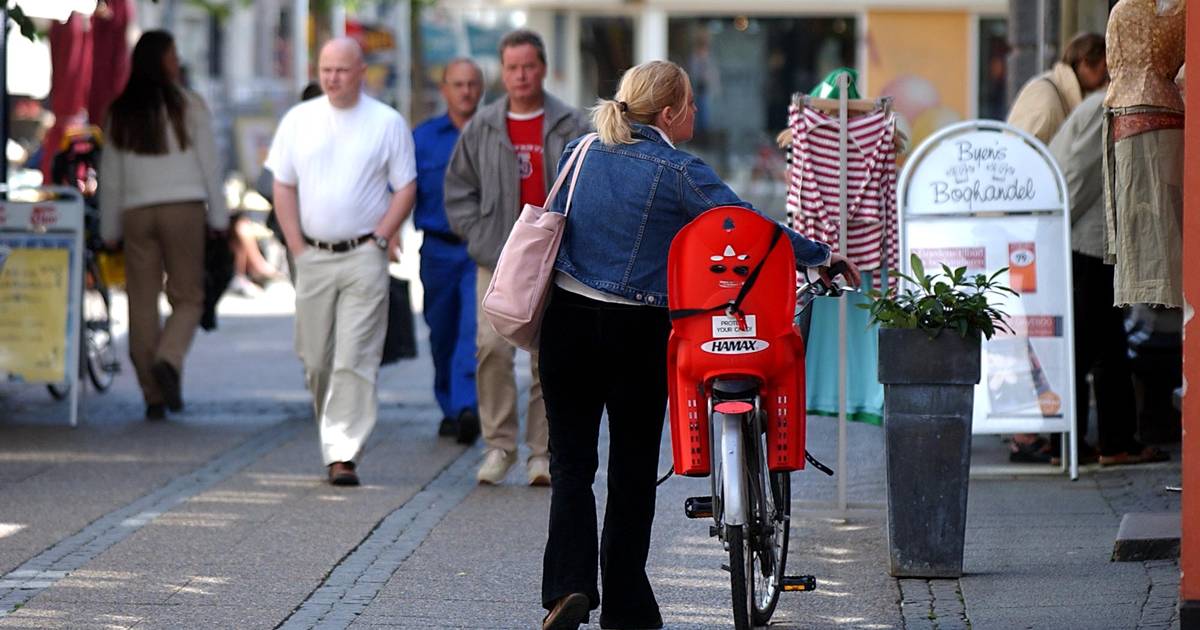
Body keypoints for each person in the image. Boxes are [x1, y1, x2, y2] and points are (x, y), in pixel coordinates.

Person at [536, 60, 859, 630]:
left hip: (566, 324)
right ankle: (629, 609)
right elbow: (749, 226)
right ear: (667, 114)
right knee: (632, 474)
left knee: (571, 464)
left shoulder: (578, 152)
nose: (694, 113)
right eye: (688, 105)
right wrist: (819, 254)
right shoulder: (678, 170)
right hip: (636, 332)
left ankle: (569, 586)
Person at [263, 38, 417, 486]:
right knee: (315, 359)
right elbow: (283, 185)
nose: (332, 77)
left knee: (356, 355)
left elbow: (405, 186)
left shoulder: (385, 122)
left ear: (360, 72)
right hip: (312, 255)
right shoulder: (299, 120)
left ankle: (342, 452)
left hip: (363, 256)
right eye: (326, 69)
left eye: (341, 70)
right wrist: (295, 246)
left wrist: (382, 236)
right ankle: (334, 436)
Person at [445, 29, 591, 487]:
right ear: (502, 72)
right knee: (490, 348)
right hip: (497, 259)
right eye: (512, 68)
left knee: (546, 358)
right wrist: (479, 236)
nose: (521, 75)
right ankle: (498, 446)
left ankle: (541, 454)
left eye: (529, 66)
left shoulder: (570, 124)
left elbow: (589, 186)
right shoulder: (483, 126)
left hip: (553, 260)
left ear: (543, 68)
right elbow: (458, 192)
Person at [98, 30, 228, 421]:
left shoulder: (119, 111)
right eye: (172, 54)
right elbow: (210, 164)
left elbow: (111, 175)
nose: (177, 61)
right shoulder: (189, 105)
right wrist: (219, 217)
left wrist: (108, 228)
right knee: (188, 297)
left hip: (135, 213)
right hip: (184, 208)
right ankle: (168, 360)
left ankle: (153, 395)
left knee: (141, 299)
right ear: (161, 61)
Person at [1049, 91, 1169, 467]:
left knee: (1104, 346)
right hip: (1088, 242)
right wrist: (1057, 225)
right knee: (1091, 345)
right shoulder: (1108, 106)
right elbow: (1078, 173)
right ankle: (1085, 443)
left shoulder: (1107, 103)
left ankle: (1105, 442)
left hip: (1094, 242)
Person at [410, 59, 485, 442]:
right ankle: (449, 404)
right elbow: (404, 188)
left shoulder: (493, 135)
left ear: (481, 87)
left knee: (472, 333)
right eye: (458, 84)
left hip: (478, 250)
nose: (465, 91)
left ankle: (467, 407)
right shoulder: (422, 138)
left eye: (472, 84)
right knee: (441, 332)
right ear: (444, 90)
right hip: (437, 250)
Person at [1007, 32, 1108, 144]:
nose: (1107, 75)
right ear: (1085, 63)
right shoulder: (1047, 101)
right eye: (1104, 66)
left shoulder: (1057, 91)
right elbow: (1023, 151)